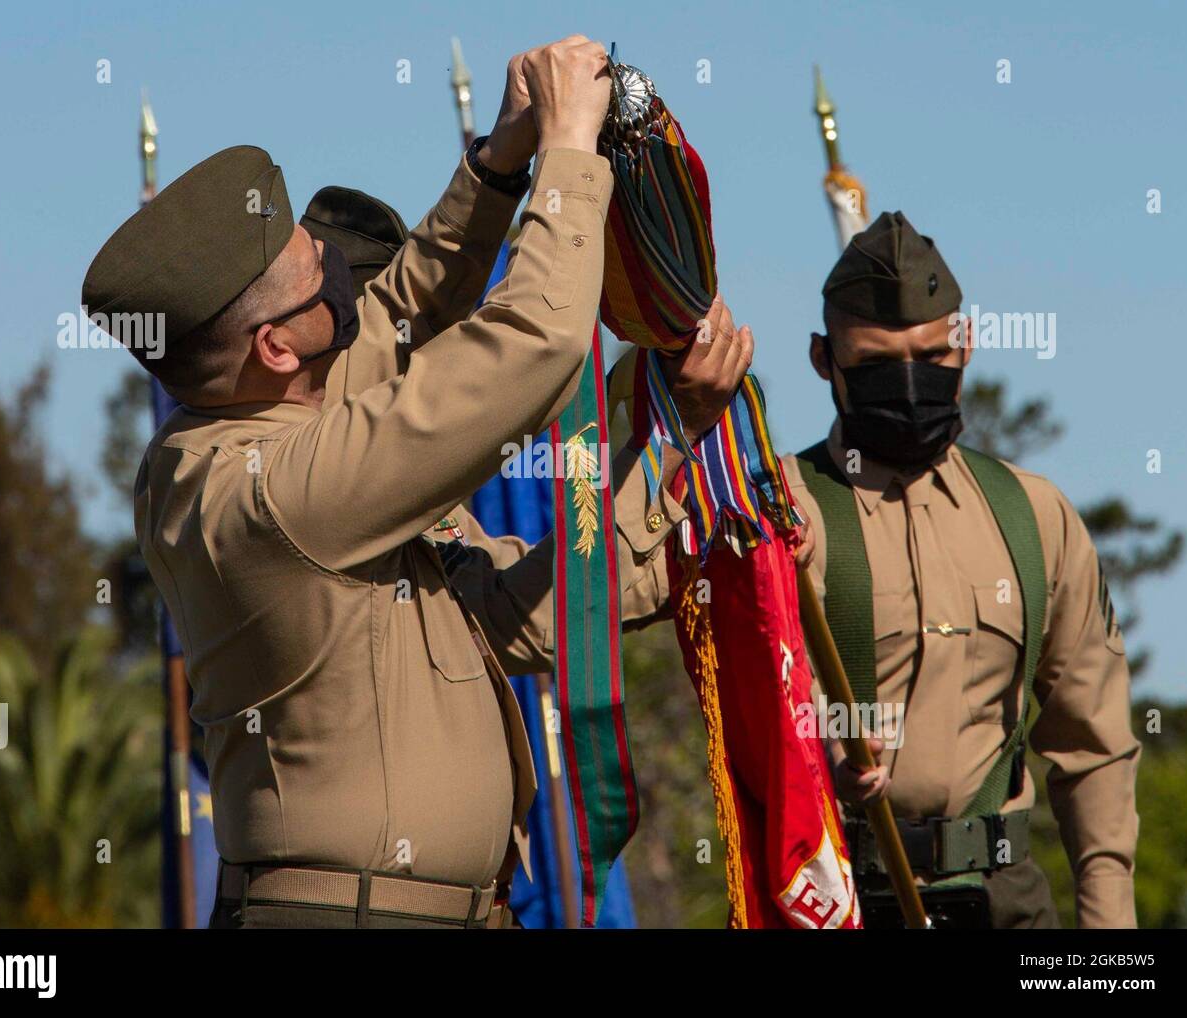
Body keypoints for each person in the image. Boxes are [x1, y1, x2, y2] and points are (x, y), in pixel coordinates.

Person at [81, 34, 752, 929]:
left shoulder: (256, 425)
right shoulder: (273, 488)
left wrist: (500, 164)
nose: (337, 272)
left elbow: (401, 313)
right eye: (313, 274)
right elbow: (529, 348)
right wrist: (568, 154)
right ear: (276, 348)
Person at [781, 211, 1140, 928]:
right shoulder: (782, 511)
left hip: (1004, 902)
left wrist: (1109, 940)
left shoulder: (1034, 516)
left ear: (967, 344)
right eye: (878, 366)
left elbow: (1092, 747)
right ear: (825, 360)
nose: (910, 385)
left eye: (932, 358)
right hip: (841, 898)